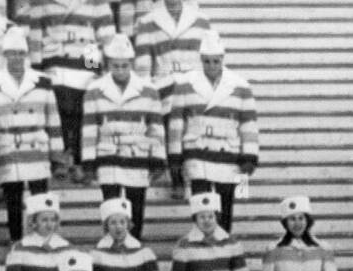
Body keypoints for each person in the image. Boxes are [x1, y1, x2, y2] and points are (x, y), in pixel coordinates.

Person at [165, 29, 255, 232]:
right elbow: (176, 122)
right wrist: (175, 156)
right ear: (201, 59)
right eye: (207, 61)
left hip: (228, 152)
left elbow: (248, 125)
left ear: (222, 59)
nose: (211, 66)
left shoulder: (240, 85)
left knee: (225, 206)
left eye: (216, 61)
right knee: (201, 205)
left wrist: (249, 155)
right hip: (197, 151)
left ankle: (224, 246)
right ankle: (200, 247)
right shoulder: (185, 83)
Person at [19, 0, 115, 185]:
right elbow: (36, 39)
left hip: (84, 63)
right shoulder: (42, 4)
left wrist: (94, 70)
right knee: (59, 112)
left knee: (82, 114)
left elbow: (102, 40)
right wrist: (38, 71)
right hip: (55, 63)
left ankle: (79, 161)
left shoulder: (97, 4)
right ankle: (61, 158)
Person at [80, 32, 164, 238]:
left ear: (132, 64)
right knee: (111, 207)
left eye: (124, 65)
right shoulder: (94, 89)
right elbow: (89, 128)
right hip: (107, 154)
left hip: (137, 154)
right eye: (115, 66)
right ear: (108, 64)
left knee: (136, 206)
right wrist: (89, 162)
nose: (120, 70)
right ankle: (110, 245)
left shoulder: (149, 90)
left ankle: (135, 245)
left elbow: (156, 128)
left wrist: (158, 159)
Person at [0, 25, 65, 242]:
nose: (16, 58)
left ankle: (43, 239)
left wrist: (56, 154)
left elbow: (53, 119)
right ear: (4, 55)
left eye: (20, 53)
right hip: (8, 146)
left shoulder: (42, 82)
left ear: (26, 54)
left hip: (36, 146)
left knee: (40, 199)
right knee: (12, 201)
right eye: (11, 53)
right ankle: (16, 241)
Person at [129, 0, 210, 200]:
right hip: (164, 83)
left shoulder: (200, 19)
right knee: (172, 111)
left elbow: (209, 57)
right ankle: (176, 176)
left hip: (194, 83)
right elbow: (143, 65)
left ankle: (192, 173)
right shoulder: (147, 21)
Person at [90, 193, 158, 271]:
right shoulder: (96, 255)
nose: (118, 227)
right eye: (113, 223)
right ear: (106, 226)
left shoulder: (145, 253)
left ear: (128, 224)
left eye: (122, 222)